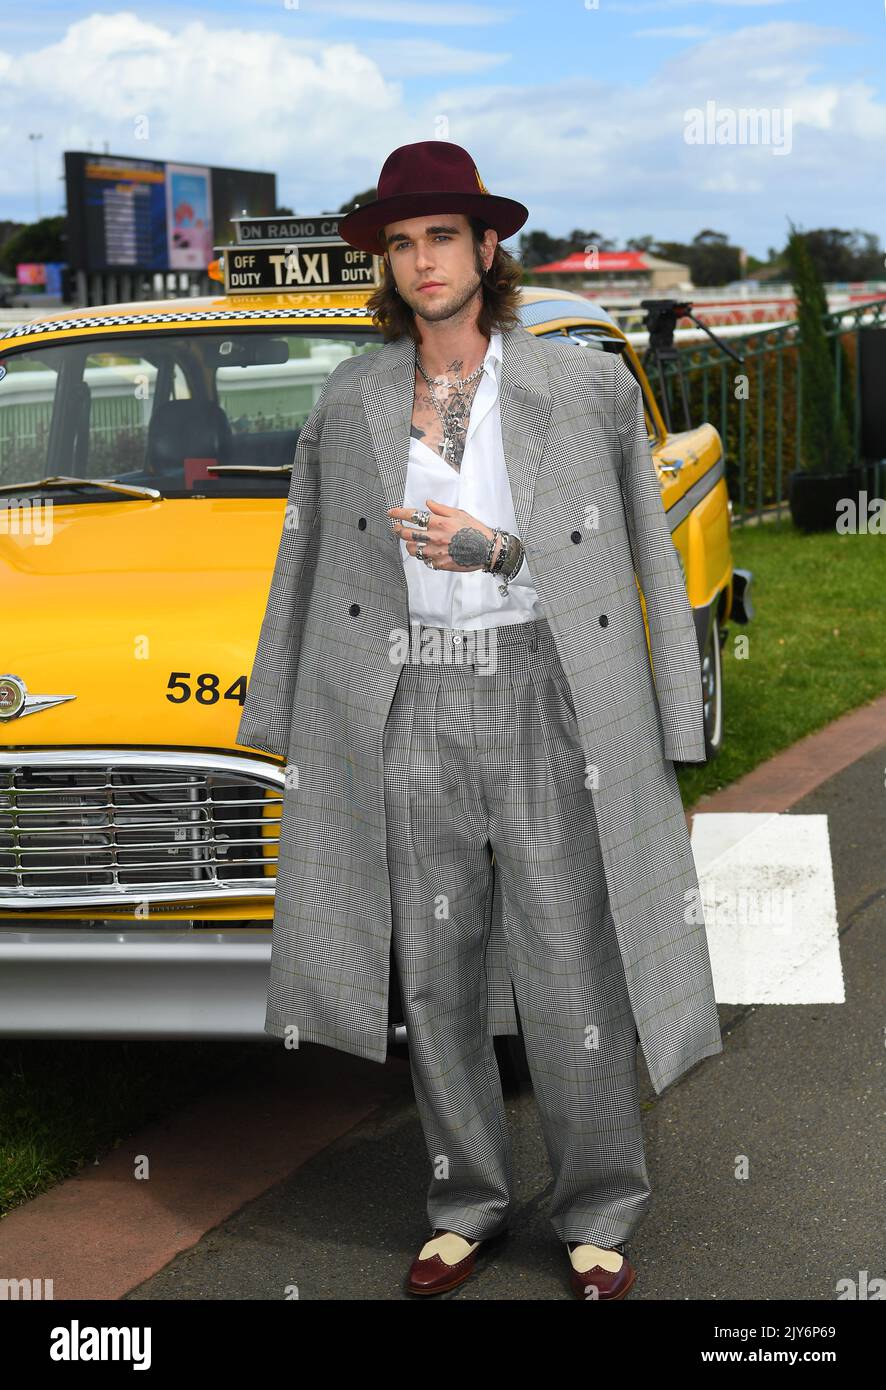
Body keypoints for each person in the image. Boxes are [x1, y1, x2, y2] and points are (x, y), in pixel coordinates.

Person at [238, 139, 722, 1301]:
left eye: (440, 237)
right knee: (435, 975)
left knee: (569, 959)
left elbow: (642, 556)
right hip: (406, 697)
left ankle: (598, 1206)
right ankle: (464, 1202)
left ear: (486, 247)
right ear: (387, 264)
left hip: (541, 689)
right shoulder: (349, 397)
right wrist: (281, 710)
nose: (421, 261)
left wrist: (668, 710)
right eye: (401, 244)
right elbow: (301, 558)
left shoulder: (580, 386)